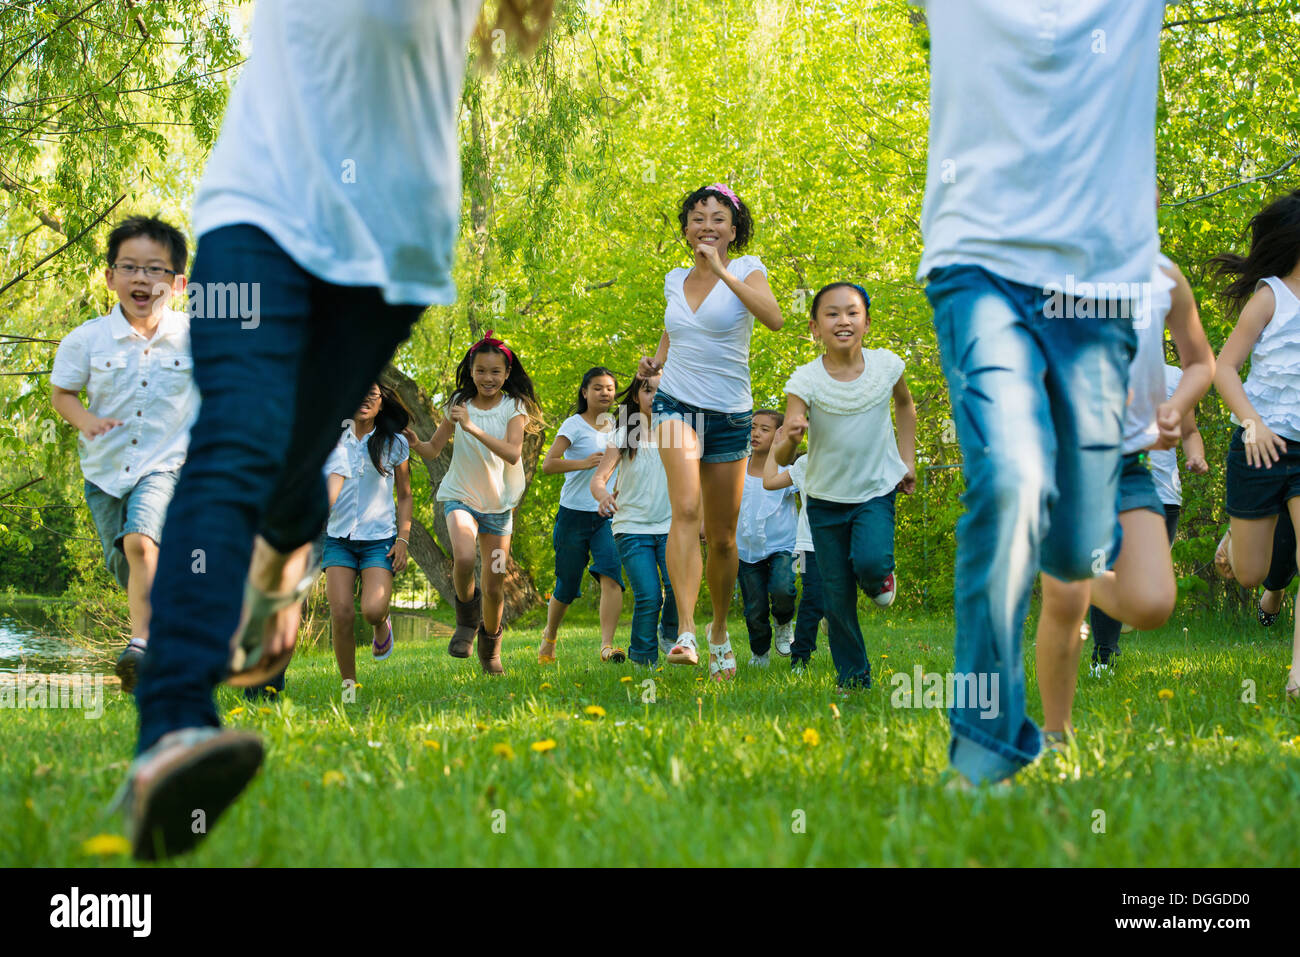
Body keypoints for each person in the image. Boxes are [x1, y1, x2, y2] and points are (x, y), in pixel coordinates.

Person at [114, 0, 555, 861]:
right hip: (262, 208)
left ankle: (279, 565)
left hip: (392, 245)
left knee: (293, 458)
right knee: (236, 436)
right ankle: (170, 726)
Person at [911, 0, 1172, 785]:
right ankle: (983, 749)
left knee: (1077, 546)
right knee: (1012, 478)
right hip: (979, 259)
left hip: (1101, 285)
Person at [1033, 250, 1214, 743]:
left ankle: (1073, 570)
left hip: (1128, 463)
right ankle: (1056, 733)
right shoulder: (1041, 266)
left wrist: (1176, 408)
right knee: (1064, 599)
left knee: (1152, 604)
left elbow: (1200, 362)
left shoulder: (1163, 274)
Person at [637, 183, 784, 680]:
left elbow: (775, 319)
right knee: (685, 509)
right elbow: (675, 327)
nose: (706, 225)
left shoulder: (747, 268)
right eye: (697, 217)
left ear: (734, 230)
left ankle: (720, 628)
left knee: (721, 538)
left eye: (718, 217)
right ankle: (685, 631)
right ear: (685, 230)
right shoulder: (673, 277)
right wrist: (657, 360)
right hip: (677, 405)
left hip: (730, 415)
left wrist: (722, 271)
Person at [50, 215, 195, 694]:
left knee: (140, 543)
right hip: (104, 472)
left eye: (155, 270)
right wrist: (85, 420)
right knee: (127, 565)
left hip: (166, 464)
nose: (141, 278)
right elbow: (63, 394)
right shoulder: (86, 340)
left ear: (177, 282)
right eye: (129, 267)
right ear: (109, 276)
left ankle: (142, 646)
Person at [771, 283, 916, 692]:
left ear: (867, 322)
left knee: (870, 563)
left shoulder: (887, 366)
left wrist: (908, 460)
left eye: (852, 312)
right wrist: (791, 438)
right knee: (835, 598)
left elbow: (905, 406)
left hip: (875, 489)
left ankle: (879, 578)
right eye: (831, 314)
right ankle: (854, 679)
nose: (843, 321)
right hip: (823, 500)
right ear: (815, 327)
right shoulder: (806, 379)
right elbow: (782, 458)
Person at [406, 332, 543, 674]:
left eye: (495, 372)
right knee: (464, 557)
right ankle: (466, 621)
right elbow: (434, 449)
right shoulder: (459, 402)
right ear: (471, 370)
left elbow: (513, 453)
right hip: (460, 496)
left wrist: (472, 427)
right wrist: (415, 442)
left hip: (498, 507)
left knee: (495, 585)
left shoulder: (515, 408)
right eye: (481, 371)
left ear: (507, 373)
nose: (488, 378)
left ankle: (490, 650)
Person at [1210, 189, 1300, 696]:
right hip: (1259, 443)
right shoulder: (1269, 296)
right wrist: (1253, 424)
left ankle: (1297, 677)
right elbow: (1224, 368)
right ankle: (1235, 537)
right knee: (1249, 573)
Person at [1088, 359, 1209, 674]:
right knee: (1108, 564)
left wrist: (1195, 456)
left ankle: (1114, 598)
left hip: (1163, 497)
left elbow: (1190, 432)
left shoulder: (1176, 378)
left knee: (1145, 590)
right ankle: (1103, 660)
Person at [323, 383, 412, 689]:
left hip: (379, 541)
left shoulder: (395, 443)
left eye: (372, 393)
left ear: (382, 403)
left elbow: (405, 495)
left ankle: (380, 624)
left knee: (372, 609)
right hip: (338, 539)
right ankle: (349, 687)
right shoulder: (330, 439)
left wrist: (403, 539)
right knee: (342, 613)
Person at [537, 367, 627, 664]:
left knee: (611, 573)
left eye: (610, 388)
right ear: (584, 392)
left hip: (607, 515)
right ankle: (550, 636)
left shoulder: (621, 426)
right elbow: (549, 465)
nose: (605, 393)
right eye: (598, 388)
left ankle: (607, 646)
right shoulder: (573, 425)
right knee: (567, 583)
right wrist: (583, 463)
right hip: (573, 515)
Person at [590, 374, 677, 667]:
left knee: (677, 587)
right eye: (647, 390)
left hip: (672, 526)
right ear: (637, 395)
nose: (654, 397)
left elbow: (699, 482)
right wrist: (603, 496)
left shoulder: (680, 432)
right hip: (631, 527)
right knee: (650, 595)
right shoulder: (625, 432)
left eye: (661, 391)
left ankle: (670, 630)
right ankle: (643, 661)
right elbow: (599, 479)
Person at [736, 410, 798, 666]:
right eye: (753, 427)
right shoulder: (737, 467)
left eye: (764, 429)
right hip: (746, 550)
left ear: (778, 436)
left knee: (783, 589)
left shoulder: (787, 470)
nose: (756, 433)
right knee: (755, 608)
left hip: (784, 545)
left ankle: (784, 621)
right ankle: (760, 652)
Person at [763, 434, 824, 671]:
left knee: (835, 598)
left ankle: (831, 612)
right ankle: (800, 659)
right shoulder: (804, 464)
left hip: (843, 544)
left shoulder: (854, 460)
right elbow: (769, 482)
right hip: (808, 546)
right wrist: (774, 450)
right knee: (812, 599)